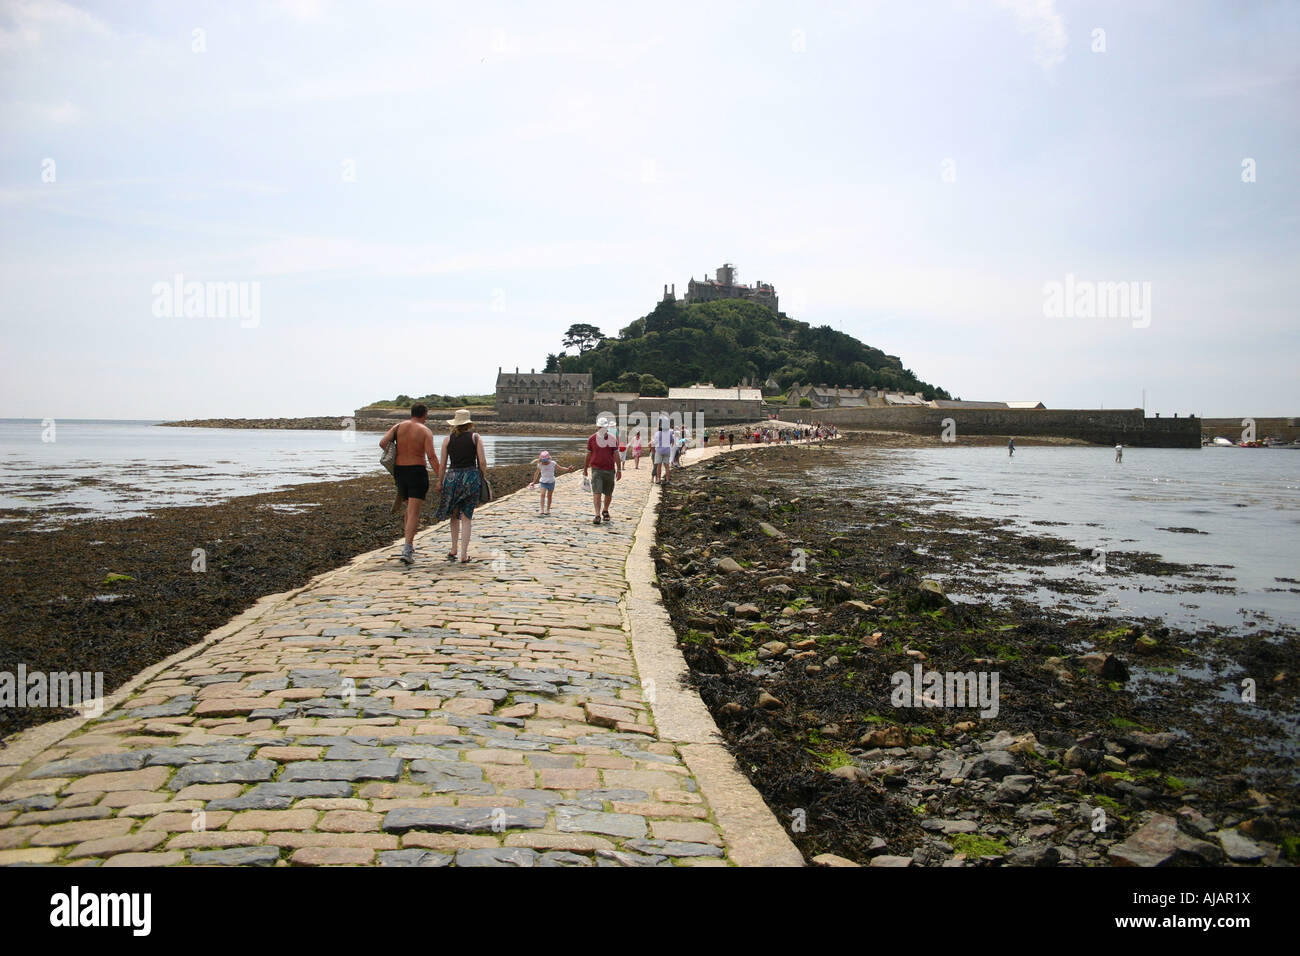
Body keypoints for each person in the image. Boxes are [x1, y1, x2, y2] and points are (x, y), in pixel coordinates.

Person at [379, 403, 441, 564]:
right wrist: (441, 476)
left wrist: (396, 452)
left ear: (411, 413)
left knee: (409, 508)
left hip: (400, 471)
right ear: (424, 414)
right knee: (413, 511)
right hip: (416, 471)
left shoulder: (398, 426)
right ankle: (407, 548)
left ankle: (410, 544)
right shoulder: (425, 431)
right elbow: (432, 457)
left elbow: (383, 443)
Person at [435, 408, 488, 563]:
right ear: (469, 424)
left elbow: (443, 465)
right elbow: (483, 462)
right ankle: (464, 554)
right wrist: (482, 476)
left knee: (454, 515)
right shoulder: (476, 438)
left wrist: (440, 481)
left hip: (452, 478)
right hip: (471, 476)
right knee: (467, 517)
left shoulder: (447, 440)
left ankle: (453, 549)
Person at [584, 416, 622, 524]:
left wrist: (619, 470)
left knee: (608, 493)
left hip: (609, 469)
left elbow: (616, 455)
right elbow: (588, 455)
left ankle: (605, 510)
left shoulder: (612, 439)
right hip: (596, 469)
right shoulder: (591, 439)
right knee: (597, 492)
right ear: (597, 427)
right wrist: (585, 469)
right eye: (600, 427)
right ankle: (597, 515)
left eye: (604, 427)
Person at [531, 449, 572, 516]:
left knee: (549, 496)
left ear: (549, 458)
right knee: (542, 494)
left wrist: (567, 469)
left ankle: (548, 509)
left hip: (551, 482)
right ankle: (542, 509)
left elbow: (561, 468)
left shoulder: (553, 463)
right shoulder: (540, 465)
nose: (545, 462)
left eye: (546, 461)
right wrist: (533, 482)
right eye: (543, 461)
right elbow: (536, 473)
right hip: (543, 482)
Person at [652, 418, 674, 484]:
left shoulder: (657, 433)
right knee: (667, 466)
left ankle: (658, 479)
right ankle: (667, 480)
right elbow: (672, 441)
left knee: (659, 465)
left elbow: (655, 442)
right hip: (667, 450)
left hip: (659, 451)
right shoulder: (669, 433)